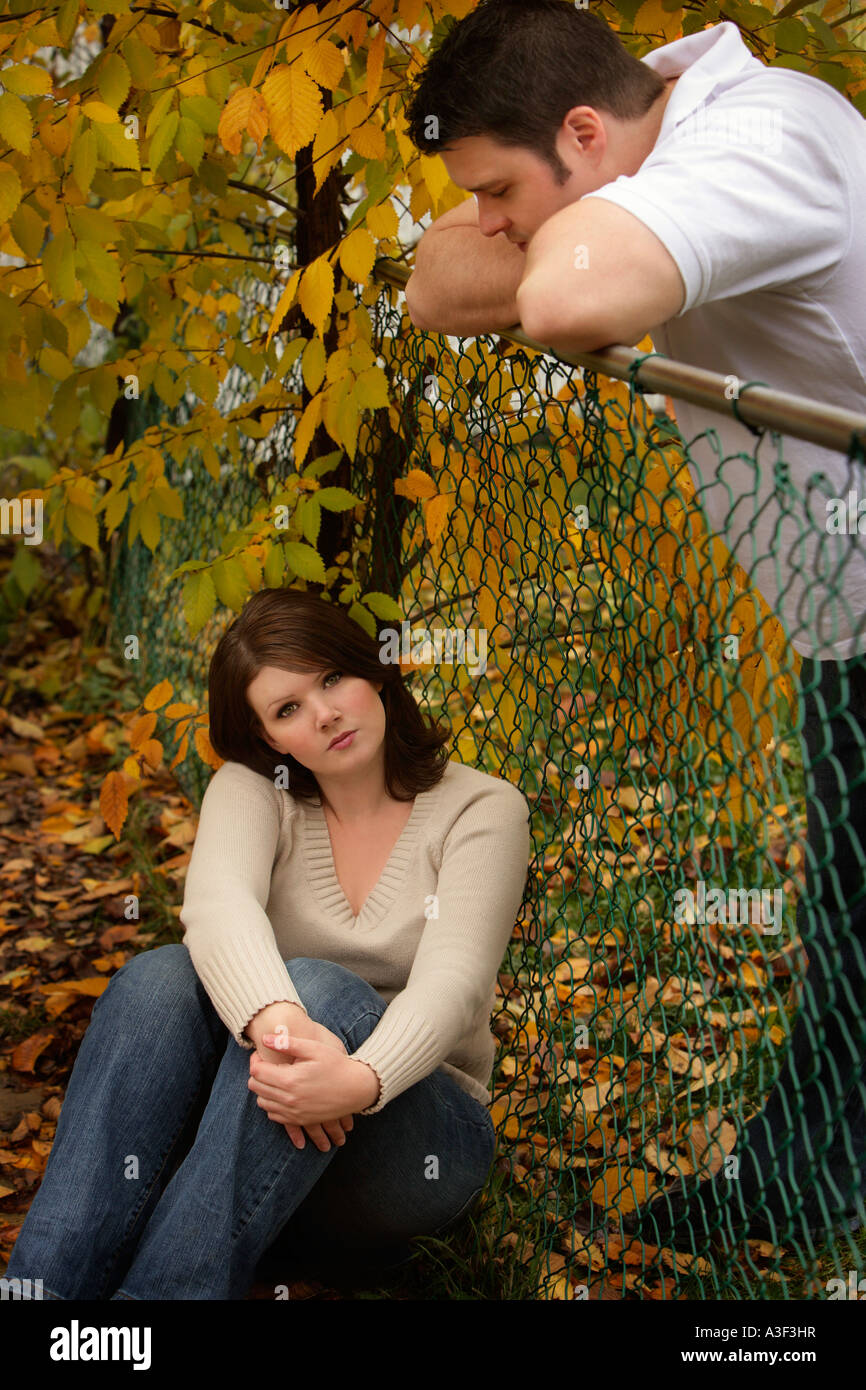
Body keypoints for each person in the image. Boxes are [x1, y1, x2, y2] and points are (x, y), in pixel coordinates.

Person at [402, 0, 866, 1251]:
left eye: (497, 188)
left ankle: (801, 1206)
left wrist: (564, 254)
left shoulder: (768, 140)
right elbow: (433, 287)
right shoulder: (657, 137)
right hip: (839, 617)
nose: (482, 220)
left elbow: (566, 305)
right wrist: (546, 230)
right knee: (842, 927)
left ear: (588, 131)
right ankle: (801, 1190)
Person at [5, 588, 531, 1299]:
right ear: (268, 740)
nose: (324, 714)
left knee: (322, 989)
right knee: (158, 980)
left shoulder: (481, 808)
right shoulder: (255, 790)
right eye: (287, 710)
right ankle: (44, 1298)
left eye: (331, 678)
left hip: (412, 1140)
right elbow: (217, 907)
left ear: (372, 671)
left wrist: (359, 1080)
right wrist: (281, 1026)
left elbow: (456, 978)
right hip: (256, 1128)